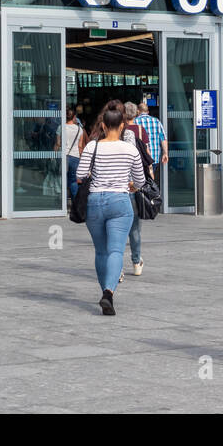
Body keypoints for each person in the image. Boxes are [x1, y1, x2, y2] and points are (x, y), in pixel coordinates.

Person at [74, 99, 145, 316]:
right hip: (120, 202)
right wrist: (131, 185)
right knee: (116, 250)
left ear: (103, 125)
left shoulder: (92, 146)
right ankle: (108, 293)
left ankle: (104, 290)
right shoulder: (129, 149)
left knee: (101, 251)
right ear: (122, 125)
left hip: (95, 202)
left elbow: (79, 176)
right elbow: (140, 180)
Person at [121, 101, 152, 280]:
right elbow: (146, 154)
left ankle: (117, 267)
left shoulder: (117, 132)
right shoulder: (140, 130)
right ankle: (136, 261)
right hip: (134, 182)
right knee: (135, 228)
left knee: (117, 229)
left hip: (119, 184)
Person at [136, 97, 168, 187]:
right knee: (150, 180)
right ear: (148, 112)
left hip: (139, 158)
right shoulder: (156, 121)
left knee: (139, 181)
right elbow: (163, 138)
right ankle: (149, 198)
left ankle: (142, 198)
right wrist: (165, 153)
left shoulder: (135, 121)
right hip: (153, 157)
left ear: (138, 111)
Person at [58, 107, 86, 203]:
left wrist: (53, 155)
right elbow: (80, 146)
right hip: (75, 157)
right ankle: (76, 204)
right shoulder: (79, 129)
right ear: (74, 117)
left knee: (63, 179)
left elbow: (58, 144)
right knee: (74, 181)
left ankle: (62, 203)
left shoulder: (60, 127)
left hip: (64, 156)